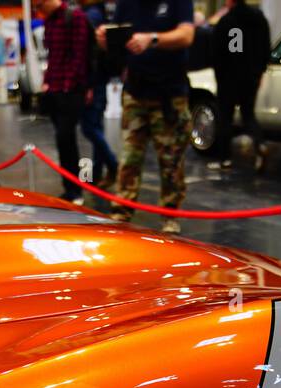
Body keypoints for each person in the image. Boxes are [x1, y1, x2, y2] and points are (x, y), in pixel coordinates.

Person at [96, 0, 195, 234]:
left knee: (171, 161)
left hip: (169, 94)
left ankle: (171, 214)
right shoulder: (127, 4)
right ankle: (122, 212)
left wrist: (152, 39)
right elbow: (119, 41)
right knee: (129, 158)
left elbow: (187, 34)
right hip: (135, 92)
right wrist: (105, 39)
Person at [36, 0, 92, 204]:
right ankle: (70, 188)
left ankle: (76, 188)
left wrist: (70, 85)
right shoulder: (49, 21)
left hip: (71, 90)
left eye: (40, 5)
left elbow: (80, 55)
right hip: (54, 89)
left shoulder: (75, 17)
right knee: (62, 141)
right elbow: (52, 56)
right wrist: (48, 83)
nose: (38, 9)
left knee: (66, 137)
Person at [210, 0, 271, 172]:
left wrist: (219, 76)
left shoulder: (226, 21)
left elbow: (217, 52)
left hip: (229, 77)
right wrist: (260, 71)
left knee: (225, 117)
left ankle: (225, 159)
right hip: (251, 77)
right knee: (248, 115)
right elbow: (265, 47)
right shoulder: (259, 18)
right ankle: (260, 144)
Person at [78, 0, 118, 193]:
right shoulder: (98, 13)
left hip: (95, 80)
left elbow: (91, 54)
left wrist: (89, 84)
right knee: (96, 126)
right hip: (99, 79)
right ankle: (97, 171)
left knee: (89, 127)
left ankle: (112, 164)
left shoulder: (91, 16)